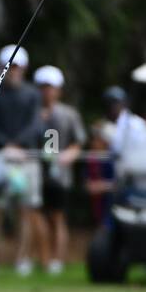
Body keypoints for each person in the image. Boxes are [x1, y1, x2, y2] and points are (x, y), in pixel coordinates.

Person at [0, 44, 39, 273]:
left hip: (26, 159)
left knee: (26, 210)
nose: (13, 71)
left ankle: (23, 258)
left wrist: (18, 145)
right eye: (10, 67)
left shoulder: (32, 94)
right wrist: (6, 146)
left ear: (24, 69)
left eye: (17, 67)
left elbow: (35, 124)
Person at [31, 65, 86, 274]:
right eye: (43, 87)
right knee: (35, 216)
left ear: (58, 89)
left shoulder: (68, 114)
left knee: (57, 216)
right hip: (37, 172)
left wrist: (68, 156)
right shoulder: (33, 113)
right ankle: (43, 259)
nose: (47, 91)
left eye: (51, 87)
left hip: (59, 175)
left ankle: (57, 260)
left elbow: (78, 141)